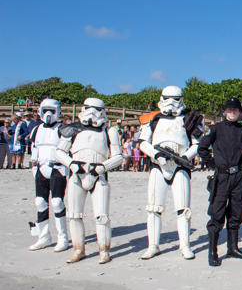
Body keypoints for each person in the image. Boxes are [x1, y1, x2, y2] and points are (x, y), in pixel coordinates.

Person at [138, 86, 203, 260]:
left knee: (183, 209)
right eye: (168, 98)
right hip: (158, 165)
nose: (171, 103)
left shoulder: (189, 119)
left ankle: (185, 245)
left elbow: (197, 143)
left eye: (175, 99)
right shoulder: (153, 119)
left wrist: (185, 156)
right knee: (153, 208)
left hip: (180, 166)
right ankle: (153, 245)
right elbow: (143, 142)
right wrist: (156, 154)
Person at [55, 98, 123, 263]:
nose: (92, 113)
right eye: (89, 109)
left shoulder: (109, 132)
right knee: (74, 215)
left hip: (98, 175)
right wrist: (71, 164)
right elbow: (59, 152)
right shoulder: (72, 129)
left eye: (96, 109)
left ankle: (104, 250)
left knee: (102, 216)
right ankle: (78, 249)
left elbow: (118, 157)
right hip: (77, 174)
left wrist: (102, 167)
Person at [198, 98, 242, 266]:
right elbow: (202, 149)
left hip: (238, 176)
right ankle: (212, 251)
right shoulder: (215, 129)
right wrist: (212, 164)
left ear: (239, 112)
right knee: (217, 213)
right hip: (221, 177)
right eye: (229, 110)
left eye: (235, 110)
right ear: (224, 112)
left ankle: (233, 248)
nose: (232, 113)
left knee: (236, 212)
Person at [27, 99, 70, 252]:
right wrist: (34, 167)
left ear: (57, 111)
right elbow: (33, 149)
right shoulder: (36, 130)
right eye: (45, 110)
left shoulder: (63, 129)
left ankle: (62, 237)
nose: (48, 114)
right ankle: (44, 237)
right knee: (40, 202)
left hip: (57, 169)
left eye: (51, 110)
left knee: (57, 202)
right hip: (40, 168)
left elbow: (67, 151)